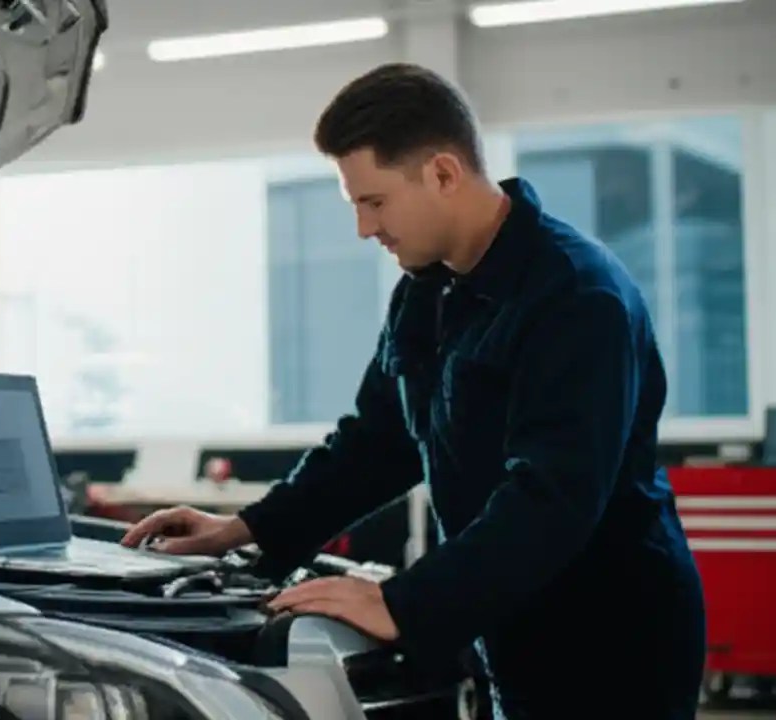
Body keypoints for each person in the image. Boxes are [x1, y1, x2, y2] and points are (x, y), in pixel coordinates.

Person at [120, 63, 706, 720]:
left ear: (443, 174)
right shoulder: (426, 292)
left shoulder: (575, 295)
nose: (365, 230)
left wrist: (404, 603)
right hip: (509, 619)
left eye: (374, 202)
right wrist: (248, 527)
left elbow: (554, 497)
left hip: (611, 636)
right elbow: (377, 441)